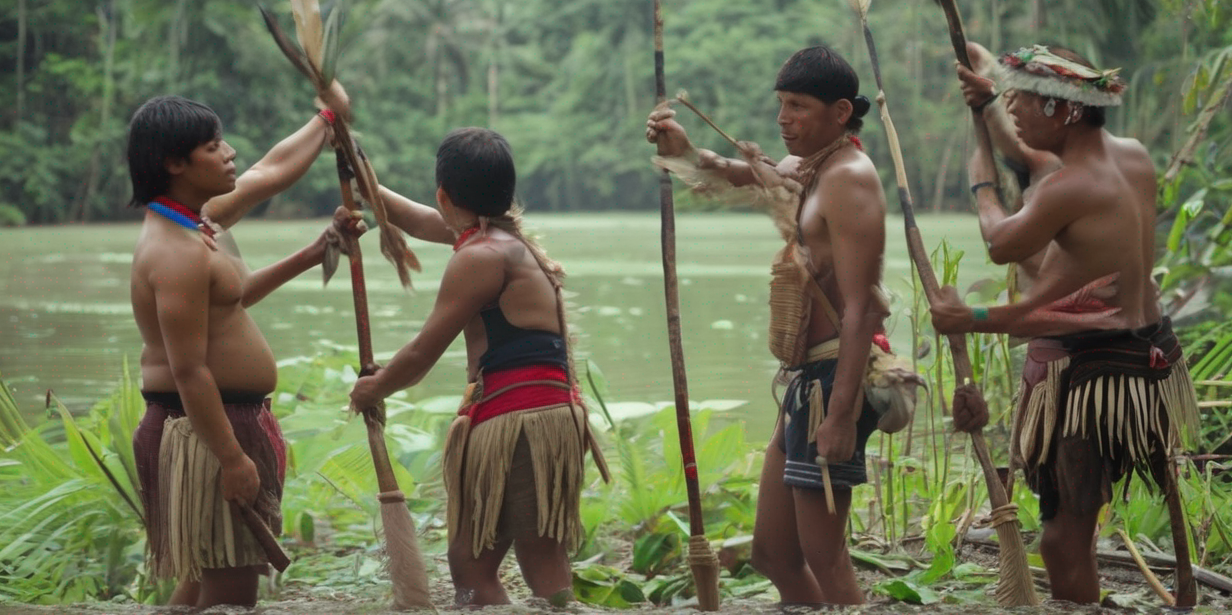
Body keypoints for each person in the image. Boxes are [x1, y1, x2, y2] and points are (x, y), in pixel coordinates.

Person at [929, 44, 1199, 604]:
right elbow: (1032, 155)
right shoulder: (1130, 155)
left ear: (1064, 110)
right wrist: (988, 102)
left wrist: (981, 186)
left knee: (1061, 541)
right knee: (1068, 527)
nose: (1013, 109)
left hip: (1100, 371)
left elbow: (1002, 243)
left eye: (1020, 99)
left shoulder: (1067, 186)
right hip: (1146, 353)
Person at [646, 46, 887, 606]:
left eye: (798, 106)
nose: (783, 118)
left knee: (826, 558)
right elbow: (734, 171)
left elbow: (861, 309)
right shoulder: (812, 167)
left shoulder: (850, 178)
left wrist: (844, 414)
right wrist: (682, 151)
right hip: (807, 385)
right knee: (773, 555)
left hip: (834, 383)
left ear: (841, 111)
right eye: (781, 104)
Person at [349, 127, 607, 607]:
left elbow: (424, 351)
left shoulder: (480, 256)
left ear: (445, 194)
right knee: (534, 555)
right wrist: (359, 170)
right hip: (545, 413)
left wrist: (376, 387)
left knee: (478, 565)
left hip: (520, 420)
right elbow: (414, 217)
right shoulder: (502, 238)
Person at [127, 91, 360, 608]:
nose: (230, 152)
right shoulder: (175, 250)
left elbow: (271, 173)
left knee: (205, 579)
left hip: (225, 420)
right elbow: (189, 371)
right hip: (204, 429)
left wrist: (327, 120)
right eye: (214, 146)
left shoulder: (199, 221)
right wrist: (231, 457)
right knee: (231, 588)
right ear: (175, 163)